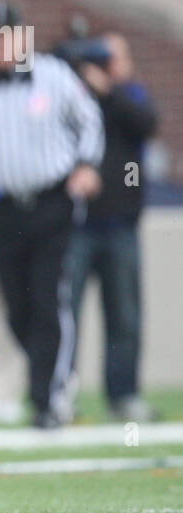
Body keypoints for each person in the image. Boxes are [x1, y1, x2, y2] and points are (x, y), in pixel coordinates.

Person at [0, 1, 103, 428]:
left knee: (49, 300)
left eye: (7, 35)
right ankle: (53, 382)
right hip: (6, 209)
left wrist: (87, 165)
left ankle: (47, 398)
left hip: (53, 201)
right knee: (16, 308)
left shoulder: (54, 76)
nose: (1, 45)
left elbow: (89, 121)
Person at [64, 33, 158, 421]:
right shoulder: (72, 96)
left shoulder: (131, 95)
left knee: (124, 314)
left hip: (120, 224)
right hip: (77, 223)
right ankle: (61, 394)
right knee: (66, 314)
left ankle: (123, 394)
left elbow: (146, 125)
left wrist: (108, 90)